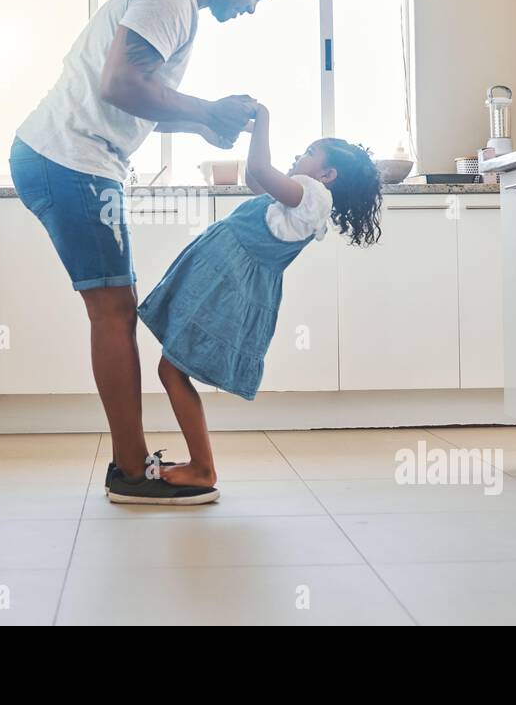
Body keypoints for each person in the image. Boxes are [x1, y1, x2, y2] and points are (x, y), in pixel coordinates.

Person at [9, 0, 284, 504]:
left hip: (71, 159)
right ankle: (131, 473)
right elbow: (119, 84)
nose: (255, 8)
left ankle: (130, 462)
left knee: (116, 308)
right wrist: (207, 108)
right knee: (113, 311)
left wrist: (202, 122)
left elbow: (136, 96)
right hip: (72, 159)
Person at [135, 102, 384, 499]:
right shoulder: (300, 195)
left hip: (227, 289)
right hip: (221, 281)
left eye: (307, 153)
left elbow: (261, 172)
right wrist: (251, 132)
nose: (298, 156)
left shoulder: (314, 196)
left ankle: (203, 468)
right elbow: (257, 179)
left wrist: (265, 117)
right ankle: (200, 464)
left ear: (327, 174)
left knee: (171, 369)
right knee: (171, 367)